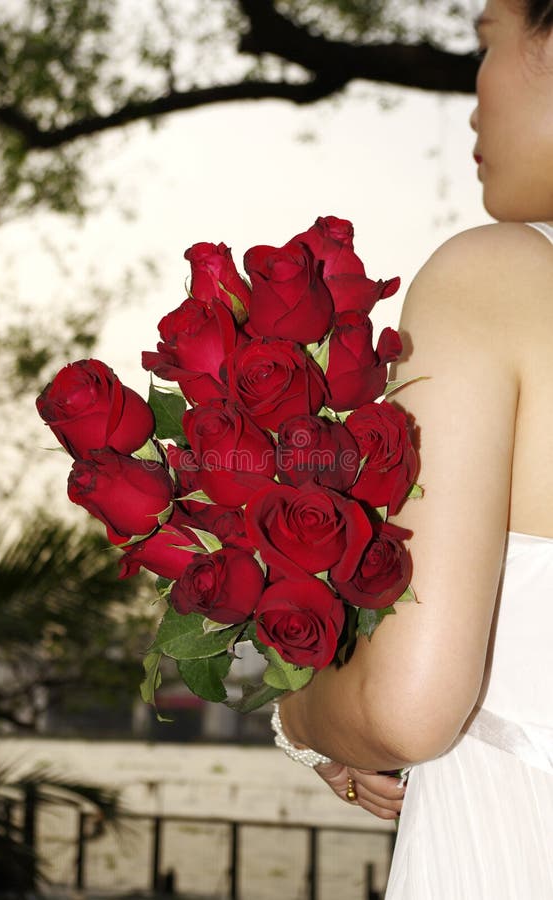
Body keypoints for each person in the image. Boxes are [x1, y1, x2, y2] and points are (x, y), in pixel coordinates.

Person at [273, 1, 553, 896]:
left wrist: (303, 712)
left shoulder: (500, 278)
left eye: (487, 44)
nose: (472, 100)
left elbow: (407, 708)